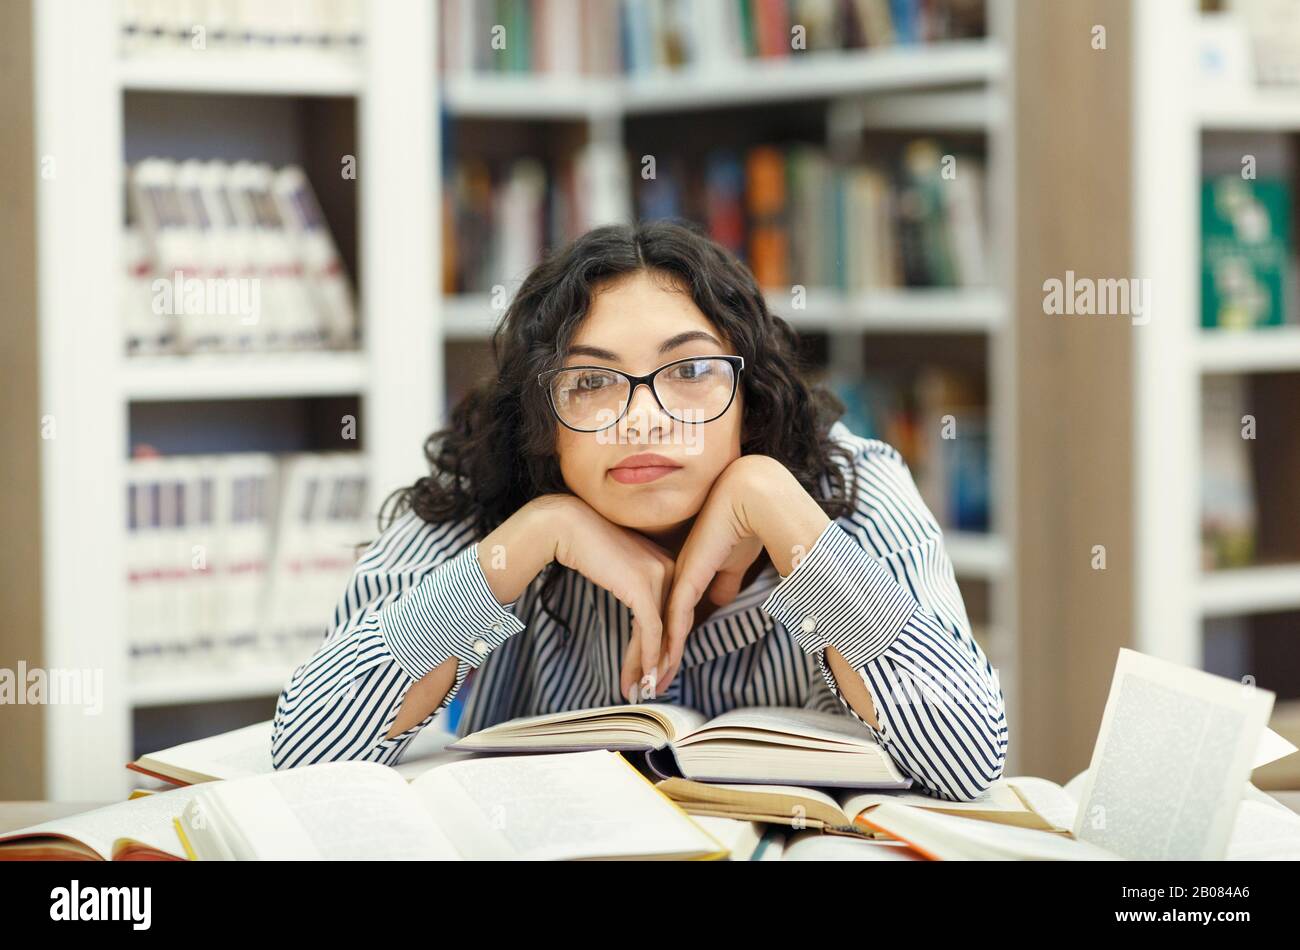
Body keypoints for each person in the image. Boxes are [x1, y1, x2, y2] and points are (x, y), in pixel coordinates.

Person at [271, 219, 1007, 802]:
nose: (642, 419)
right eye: (591, 382)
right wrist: (534, 537)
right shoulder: (484, 491)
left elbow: (967, 754)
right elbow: (308, 747)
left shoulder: (850, 486)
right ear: (540, 410)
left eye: (688, 372)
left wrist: (781, 512)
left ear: (749, 395)